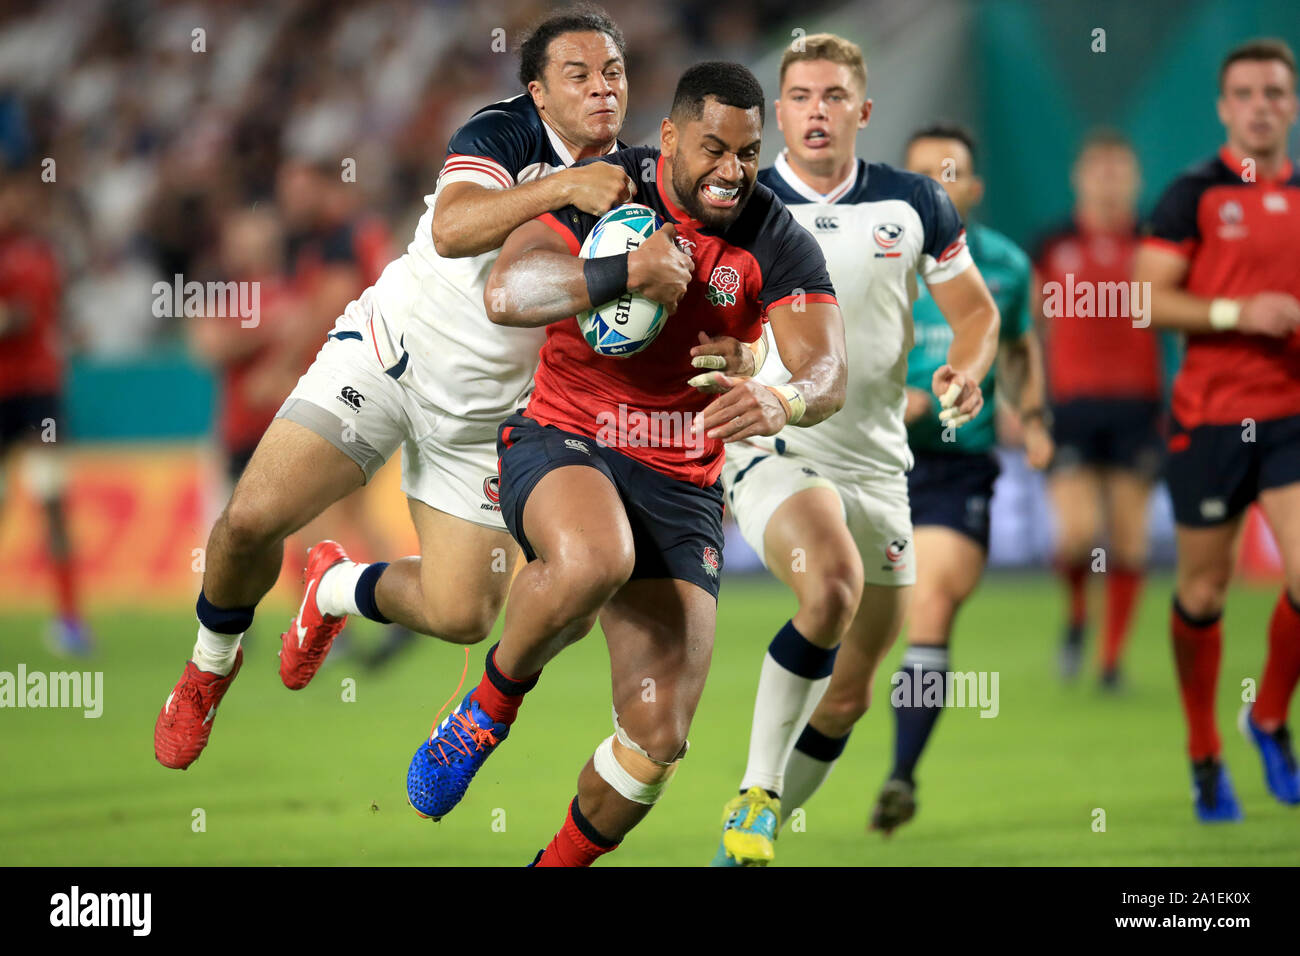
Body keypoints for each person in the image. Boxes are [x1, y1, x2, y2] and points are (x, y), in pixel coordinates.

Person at [154, 7, 674, 769]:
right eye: (580, 75)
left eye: (614, 73)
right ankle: (207, 666)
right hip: (387, 360)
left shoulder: (637, 182)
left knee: (464, 613)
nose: (602, 89)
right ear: (537, 91)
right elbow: (452, 229)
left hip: (486, 422)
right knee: (246, 523)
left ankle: (336, 588)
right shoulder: (500, 132)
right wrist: (566, 185)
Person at [405, 61, 847, 868]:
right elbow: (510, 291)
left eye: (749, 154)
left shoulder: (773, 235)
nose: (731, 172)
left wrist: (783, 398)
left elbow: (826, 369)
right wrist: (625, 273)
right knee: (592, 559)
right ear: (671, 136)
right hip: (570, 435)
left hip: (682, 479)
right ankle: (487, 711)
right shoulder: (604, 187)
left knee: (656, 743)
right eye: (713, 149)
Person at [704, 37, 1000, 867]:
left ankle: (738, 853)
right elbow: (701, 307)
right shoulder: (743, 203)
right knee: (829, 582)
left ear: (863, 110)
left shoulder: (915, 205)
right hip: (778, 443)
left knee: (849, 697)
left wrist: (965, 371)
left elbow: (977, 317)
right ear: (779, 114)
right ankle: (757, 795)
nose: (817, 111)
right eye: (799, 96)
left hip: (881, 466)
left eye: (833, 95)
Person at [868, 123, 1052, 835]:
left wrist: (1032, 419)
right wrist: (891, 401)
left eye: (948, 174)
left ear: (972, 188)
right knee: (849, 628)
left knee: (932, 605)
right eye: (918, 175)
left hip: (953, 465)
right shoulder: (872, 255)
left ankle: (900, 775)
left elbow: (1019, 349)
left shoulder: (1003, 266)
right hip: (869, 460)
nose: (932, 188)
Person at [1133, 38, 1300, 821]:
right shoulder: (1192, 194)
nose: (1261, 105)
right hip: (1207, 420)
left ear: (1292, 105)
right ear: (1223, 108)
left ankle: (1266, 716)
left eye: (1275, 91)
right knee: (1203, 592)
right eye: (1246, 93)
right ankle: (1205, 751)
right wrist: (1239, 313)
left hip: (1291, 415)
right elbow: (1147, 300)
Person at [1036, 131, 1161, 685]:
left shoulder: (1157, 244)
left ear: (1135, 179)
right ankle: (1077, 617)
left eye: (1119, 171)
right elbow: (1029, 328)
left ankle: (1111, 662)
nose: (1109, 181)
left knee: (1130, 540)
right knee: (1078, 536)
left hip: (1138, 405)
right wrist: (1027, 401)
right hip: (1073, 406)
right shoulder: (1053, 245)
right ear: (1079, 178)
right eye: (1099, 170)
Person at [0, 165, 90, 655]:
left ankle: (71, 619)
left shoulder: (35, 255)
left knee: (50, 496)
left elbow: (19, 318)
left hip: (36, 395)